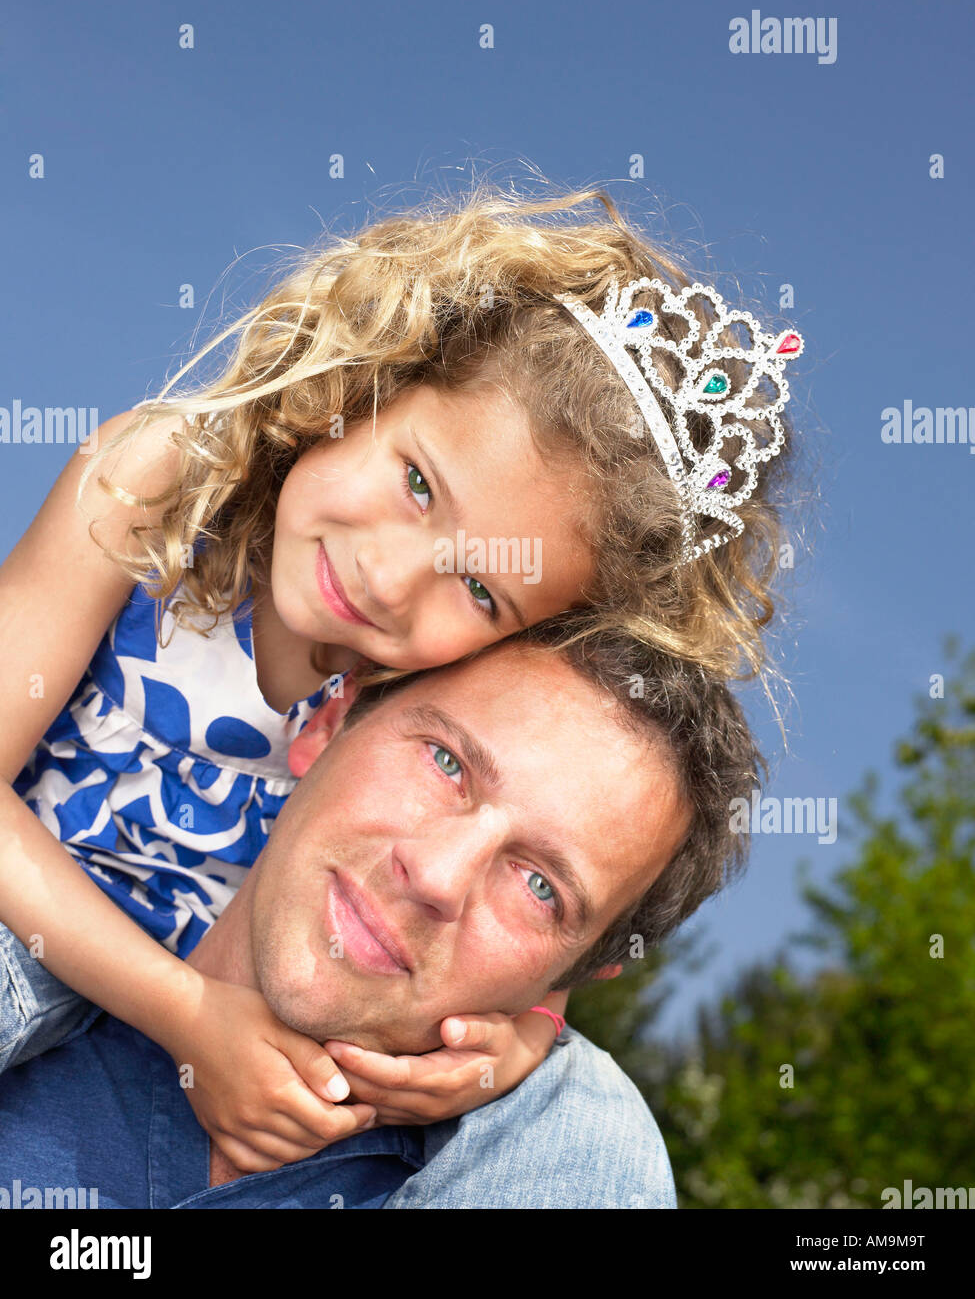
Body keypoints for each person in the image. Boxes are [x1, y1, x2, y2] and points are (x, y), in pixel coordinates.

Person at [0, 181, 800, 1168]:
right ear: (368, 383)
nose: (387, 574)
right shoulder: (155, 486)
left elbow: (532, 909)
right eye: (418, 483)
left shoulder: (396, 700)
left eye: (480, 590)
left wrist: (517, 1039)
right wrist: (188, 1012)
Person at [0, 619, 762, 1208]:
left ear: (570, 977)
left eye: (538, 887)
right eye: (445, 762)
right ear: (328, 725)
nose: (435, 874)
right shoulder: (28, 999)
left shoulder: (568, 1156)